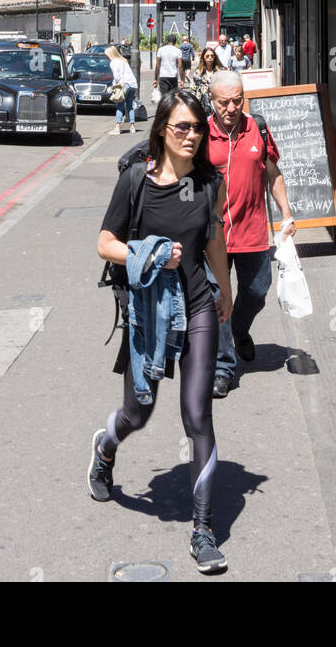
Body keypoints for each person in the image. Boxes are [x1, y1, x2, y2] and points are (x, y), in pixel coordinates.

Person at [89, 89, 233, 573]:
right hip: (150, 313)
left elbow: (213, 238)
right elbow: (105, 243)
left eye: (198, 128)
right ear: (162, 132)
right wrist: (146, 252)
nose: (192, 136)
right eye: (182, 128)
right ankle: (105, 448)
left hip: (196, 307)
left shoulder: (211, 182)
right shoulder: (137, 180)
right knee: (139, 411)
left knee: (198, 415)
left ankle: (203, 529)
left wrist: (225, 291)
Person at [205, 70, 296, 398]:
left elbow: (273, 174)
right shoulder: (201, 133)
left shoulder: (257, 128)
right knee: (219, 300)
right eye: (223, 102)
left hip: (253, 230)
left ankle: (240, 330)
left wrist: (286, 214)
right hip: (214, 236)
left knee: (258, 290)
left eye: (237, 100)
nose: (231, 107)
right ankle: (223, 367)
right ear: (211, 99)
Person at [105, 43, 139, 135]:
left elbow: (116, 77)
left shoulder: (113, 62)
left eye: (107, 55)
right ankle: (132, 126)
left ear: (110, 54)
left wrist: (113, 86)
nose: (106, 57)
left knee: (120, 105)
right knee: (129, 106)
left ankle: (117, 127)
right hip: (133, 84)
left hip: (125, 85)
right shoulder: (123, 60)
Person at [188, 47, 219, 114]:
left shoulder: (218, 72)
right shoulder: (198, 72)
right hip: (200, 105)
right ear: (203, 58)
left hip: (215, 105)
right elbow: (193, 88)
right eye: (207, 56)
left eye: (212, 56)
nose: (210, 58)